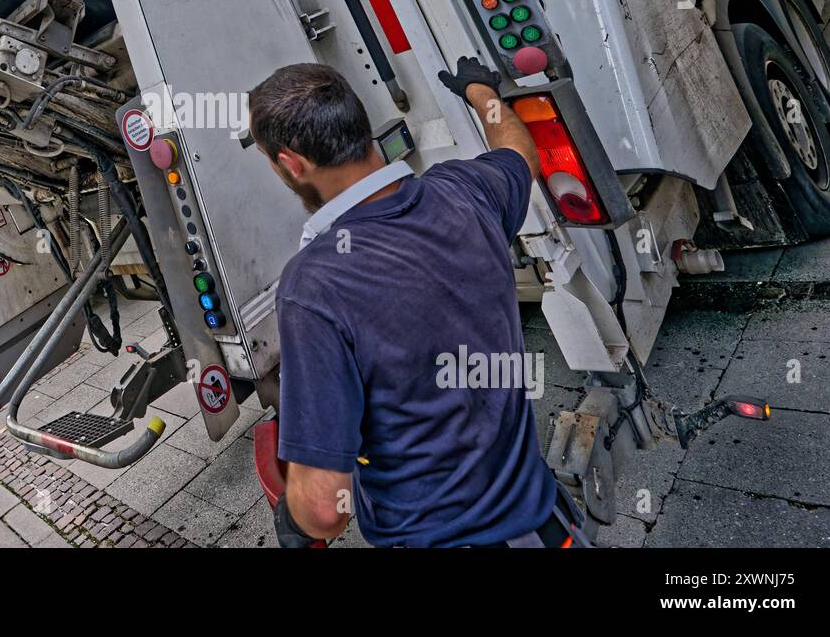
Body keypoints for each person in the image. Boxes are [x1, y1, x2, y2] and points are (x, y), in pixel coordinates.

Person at [247, 58, 590, 548]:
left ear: (291, 163)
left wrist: (293, 516)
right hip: (548, 526)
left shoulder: (314, 284)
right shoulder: (464, 191)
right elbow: (520, 154)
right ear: (359, 124)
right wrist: (481, 92)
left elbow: (325, 511)